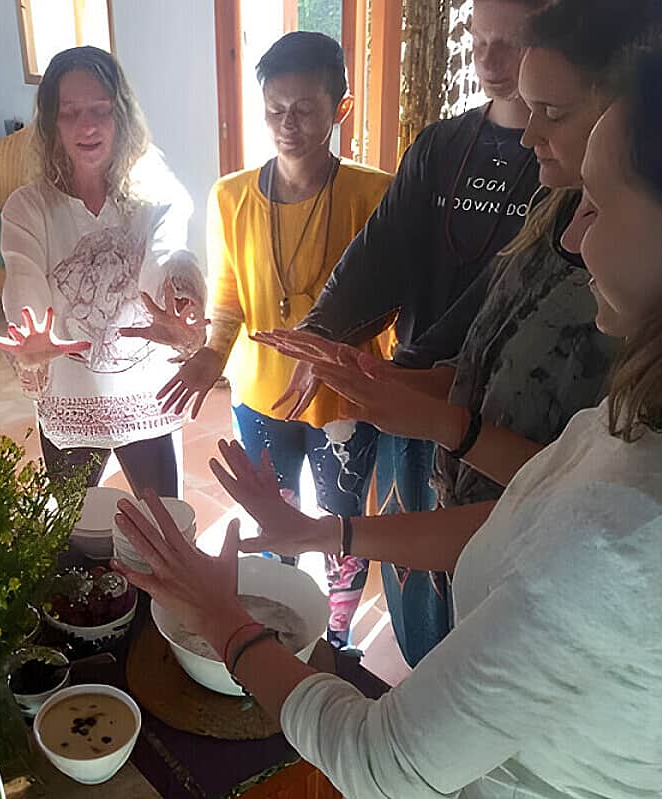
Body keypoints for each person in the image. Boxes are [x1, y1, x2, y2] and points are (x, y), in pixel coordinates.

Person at [113, 36, 662, 796]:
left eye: (597, 206)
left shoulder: (620, 542)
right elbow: (530, 505)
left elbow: (381, 761)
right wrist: (331, 525)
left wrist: (224, 621)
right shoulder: (633, 417)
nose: (569, 238)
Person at [259, 0, 660, 652]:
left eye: (552, 112)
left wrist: (413, 395)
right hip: (443, 438)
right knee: (425, 628)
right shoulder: (525, 196)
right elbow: (469, 333)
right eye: (479, 40)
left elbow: (556, 506)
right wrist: (372, 367)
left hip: (519, 536)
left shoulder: (627, 291)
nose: (531, 133)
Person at [270, 0, 544, 664]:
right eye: (478, 40)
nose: (489, 59)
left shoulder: (567, 162)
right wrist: (322, 333)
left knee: (496, 586)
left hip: (508, 417)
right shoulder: (439, 148)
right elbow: (377, 256)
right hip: (411, 409)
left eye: (510, 42)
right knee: (414, 577)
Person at [159, 32, 392, 648]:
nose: (288, 124)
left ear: (339, 109)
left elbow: (392, 302)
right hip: (260, 395)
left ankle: (336, 637)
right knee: (274, 514)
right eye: (274, 109)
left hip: (347, 398)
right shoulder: (230, 196)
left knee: (342, 527)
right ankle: (283, 623)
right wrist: (210, 354)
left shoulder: (375, 195)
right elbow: (229, 296)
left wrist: (343, 359)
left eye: (305, 109)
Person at [0, 46, 206, 498]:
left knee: (163, 527)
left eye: (100, 110)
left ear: (121, 116)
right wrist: (29, 332)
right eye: (69, 113)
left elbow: (168, 259)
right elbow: (23, 277)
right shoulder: (28, 208)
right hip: (71, 391)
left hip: (143, 392)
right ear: (51, 125)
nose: (86, 126)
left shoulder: (155, 195)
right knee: (72, 539)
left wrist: (181, 298)